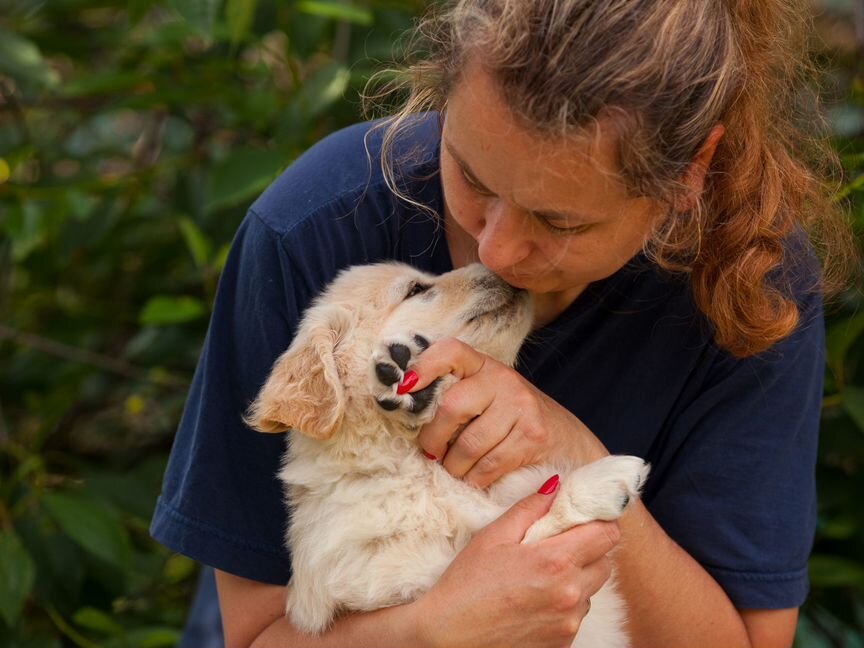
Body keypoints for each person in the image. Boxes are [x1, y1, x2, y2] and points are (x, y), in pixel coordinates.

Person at [150, 1, 855, 647]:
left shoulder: (751, 277)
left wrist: (567, 449)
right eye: (473, 179)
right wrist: (431, 629)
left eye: (560, 221)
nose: (496, 253)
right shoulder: (315, 227)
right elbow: (253, 636)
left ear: (690, 172)